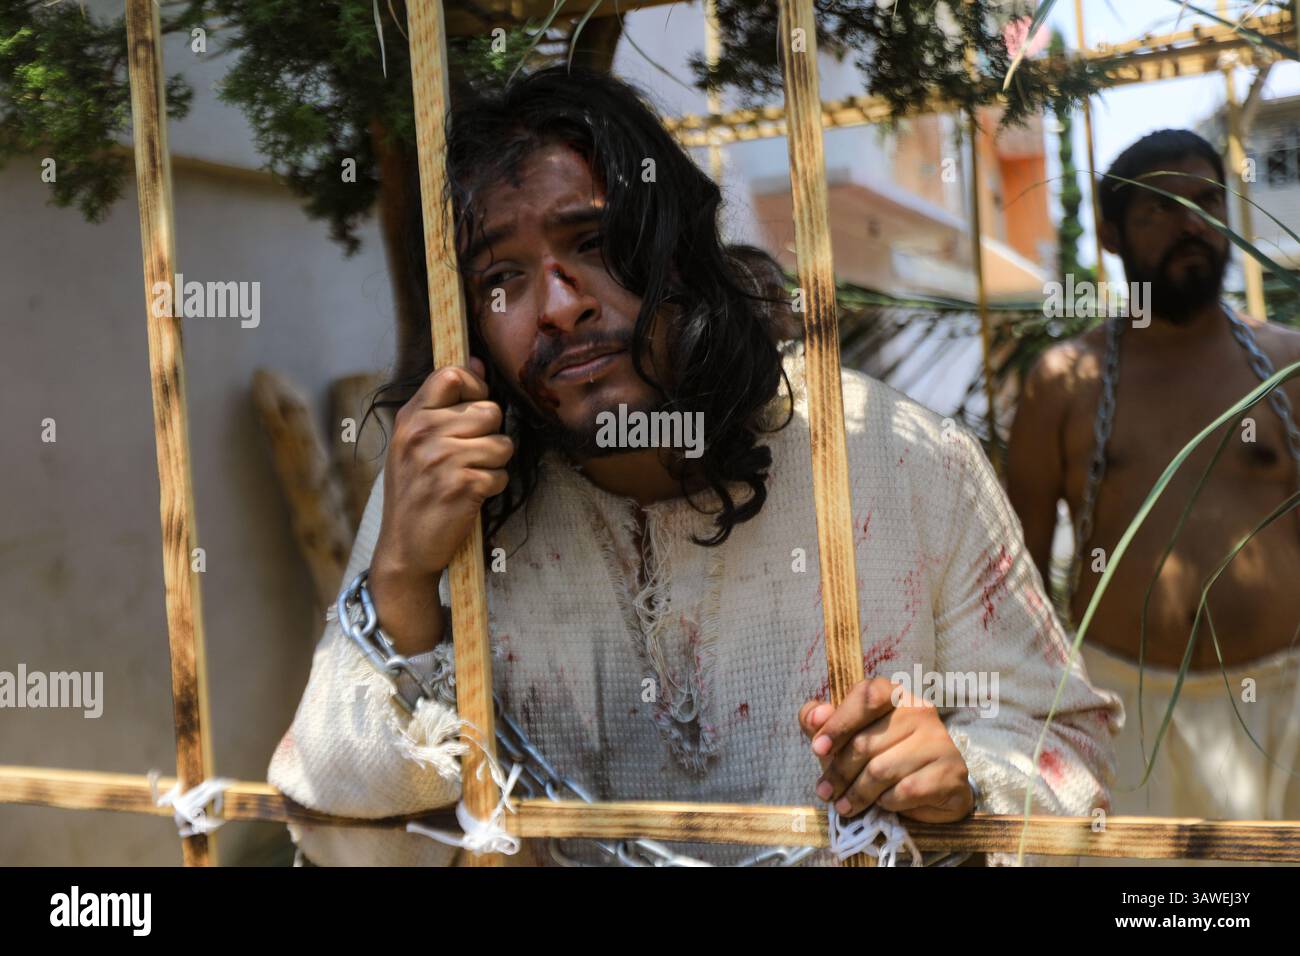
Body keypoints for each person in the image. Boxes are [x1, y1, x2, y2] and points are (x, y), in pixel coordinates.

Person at [269, 66, 1119, 867]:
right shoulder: (445, 501)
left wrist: (962, 786)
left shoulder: (899, 460)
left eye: (595, 242)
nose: (560, 304)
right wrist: (404, 580)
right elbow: (338, 834)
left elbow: (1069, 752)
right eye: (503, 277)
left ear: (679, 249)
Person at [1007, 129, 1300, 848]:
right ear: (1110, 235)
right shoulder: (1062, 387)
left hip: (1285, 711)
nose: (1192, 223)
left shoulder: (1289, 364)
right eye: (1161, 209)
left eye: (1206, 200)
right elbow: (1018, 584)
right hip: (1123, 717)